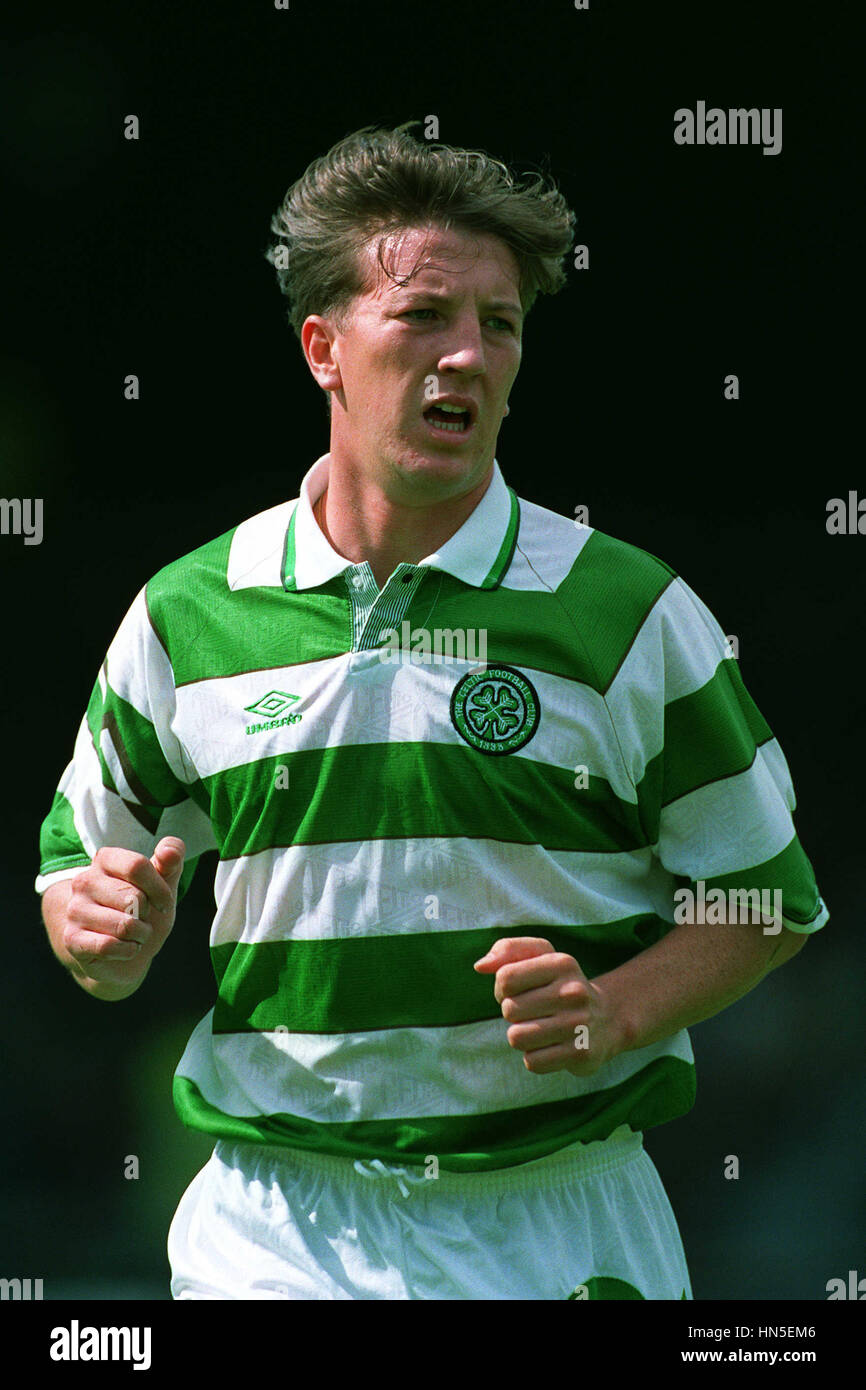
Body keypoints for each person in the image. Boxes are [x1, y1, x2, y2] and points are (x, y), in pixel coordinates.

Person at [36, 122, 828, 1301]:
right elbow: (78, 877)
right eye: (422, 315)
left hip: (556, 1223)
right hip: (275, 1231)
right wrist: (97, 934)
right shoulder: (184, 613)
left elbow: (766, 899)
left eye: (498, 324)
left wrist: (612, 1013)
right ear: (323, 348)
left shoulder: (627, 611)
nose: (467, 353)